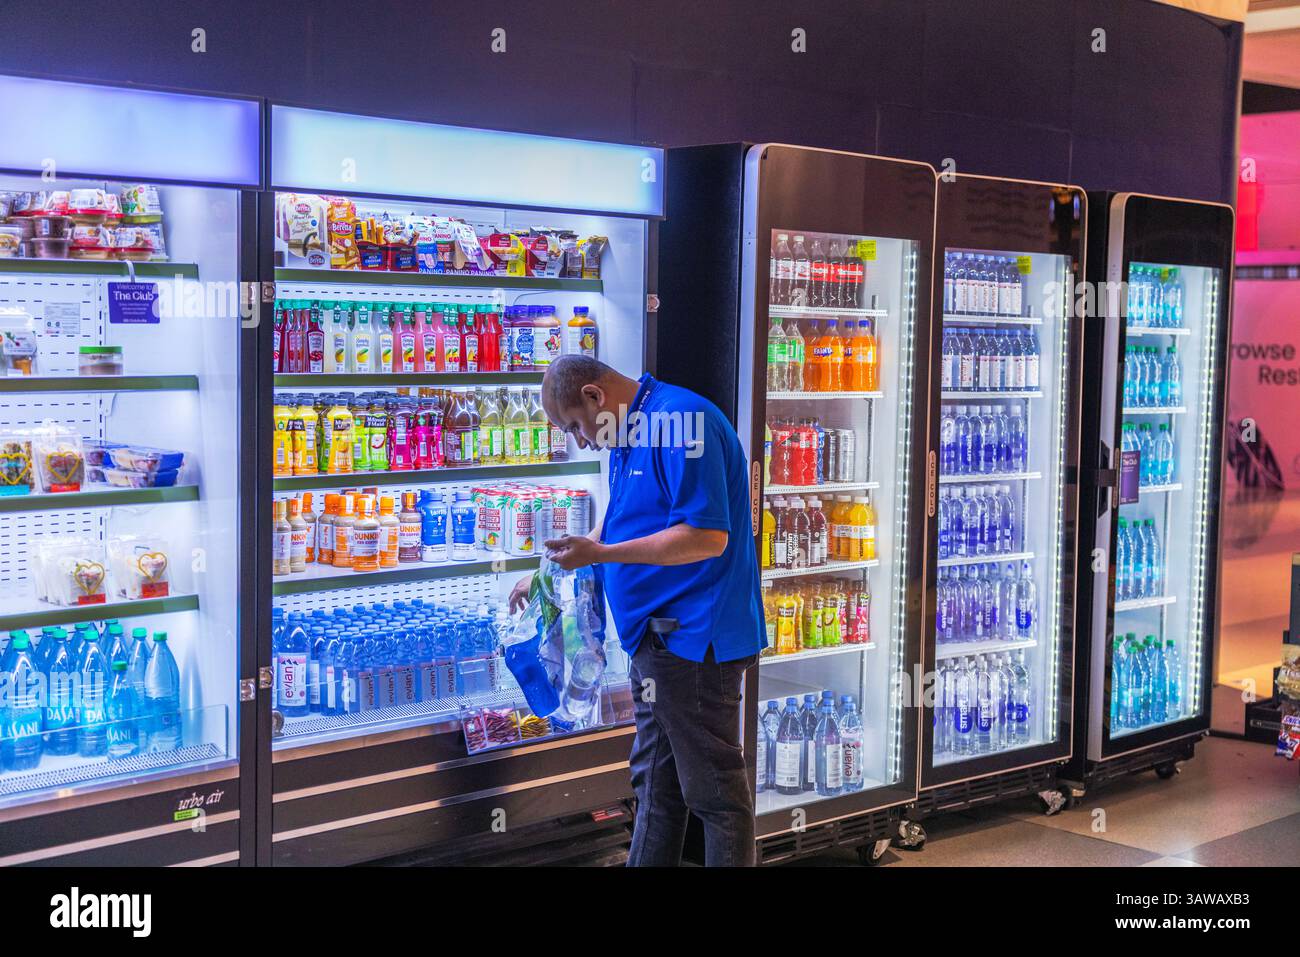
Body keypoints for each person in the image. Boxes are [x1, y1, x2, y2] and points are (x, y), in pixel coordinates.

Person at [509, 355, 766, 866]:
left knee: (715, 796)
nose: (580, 441)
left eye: (575, 427)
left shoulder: (682, 424)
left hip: (694, 642)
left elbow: (706, 537)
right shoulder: (629, 430)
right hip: (656, 643)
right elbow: (625, 518)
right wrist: (551, 569)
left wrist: (600, 555)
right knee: (656, 789)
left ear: (593, 396)